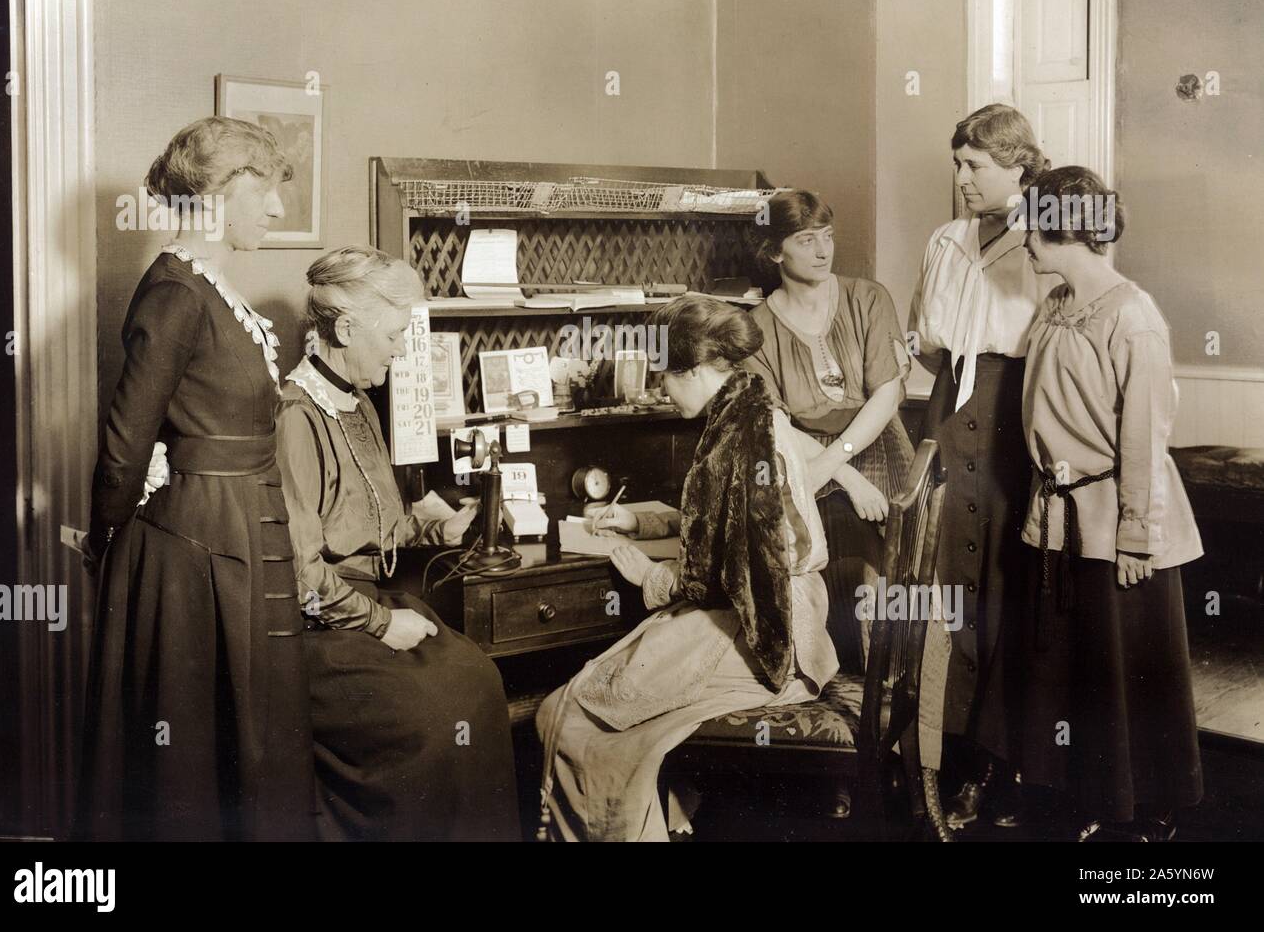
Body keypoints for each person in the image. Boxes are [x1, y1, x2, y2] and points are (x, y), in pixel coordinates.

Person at [76, 117, 315, 841]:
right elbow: (124, 443)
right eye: (266, 190)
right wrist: (107, 540)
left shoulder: (211, 288)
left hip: (241, 530)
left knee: (250, 736)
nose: (277, 208)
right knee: (197, 756)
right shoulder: (176, 291)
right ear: (218, 192)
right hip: (193, 550)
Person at [535, 294, 840, 841]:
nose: (661, 390)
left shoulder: (743, 440)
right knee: (597, 707)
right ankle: (663, 826)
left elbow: (738, 572)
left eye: (665, 378)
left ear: (695, 370)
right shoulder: (750, 413)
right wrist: (640, 523)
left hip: (766, 635)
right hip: (781, 616)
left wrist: (649, 579)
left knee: (573, 713)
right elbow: (725, 527)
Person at [276, 245, 519, 842]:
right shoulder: (293, 418)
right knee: (431, 718)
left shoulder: (358, 403)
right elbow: (300, 572)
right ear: (346, 327)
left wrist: (439, 526)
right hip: (318, 631)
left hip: (372, 606)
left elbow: (372, 520)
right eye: (392, 334)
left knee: (477, 681)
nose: (400, 349)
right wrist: (381, 625)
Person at [1019, 167, 1203, 841]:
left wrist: (1134, 533)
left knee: (1129, 671)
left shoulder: (1132, 314)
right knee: (1083, 670)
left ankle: (1149, 804)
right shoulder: (1056, 303)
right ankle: (1094, 794)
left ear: (1059, 227)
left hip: (1118, 520)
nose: (1024, 243)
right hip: (1063, 517)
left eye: (1030, 227)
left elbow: (1146, 433)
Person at [908, 103, 1055, 828]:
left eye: (976, 165)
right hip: (948, 414)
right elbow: (928, 341)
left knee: (1003, 587)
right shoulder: (945, 240)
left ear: (1018, 165)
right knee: (945, 589)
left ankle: (999, 765)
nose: (962, 177)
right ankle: (944, 749)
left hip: (1012, 420)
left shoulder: (1046, 240)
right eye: (958, 163)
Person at [744, 191, 914, 677]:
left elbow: (886, 392)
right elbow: (774, 420)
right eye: (806, 240)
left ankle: (893, 714)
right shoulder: (756, 328)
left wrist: (839, 458)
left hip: (880, 448)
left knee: (886, 589)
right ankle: (828, 693)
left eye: (828, 237)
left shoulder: (867, 297)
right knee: (812, 583)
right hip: (802, 460)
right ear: (775, 252)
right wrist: (841, 474)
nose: (823, 251)